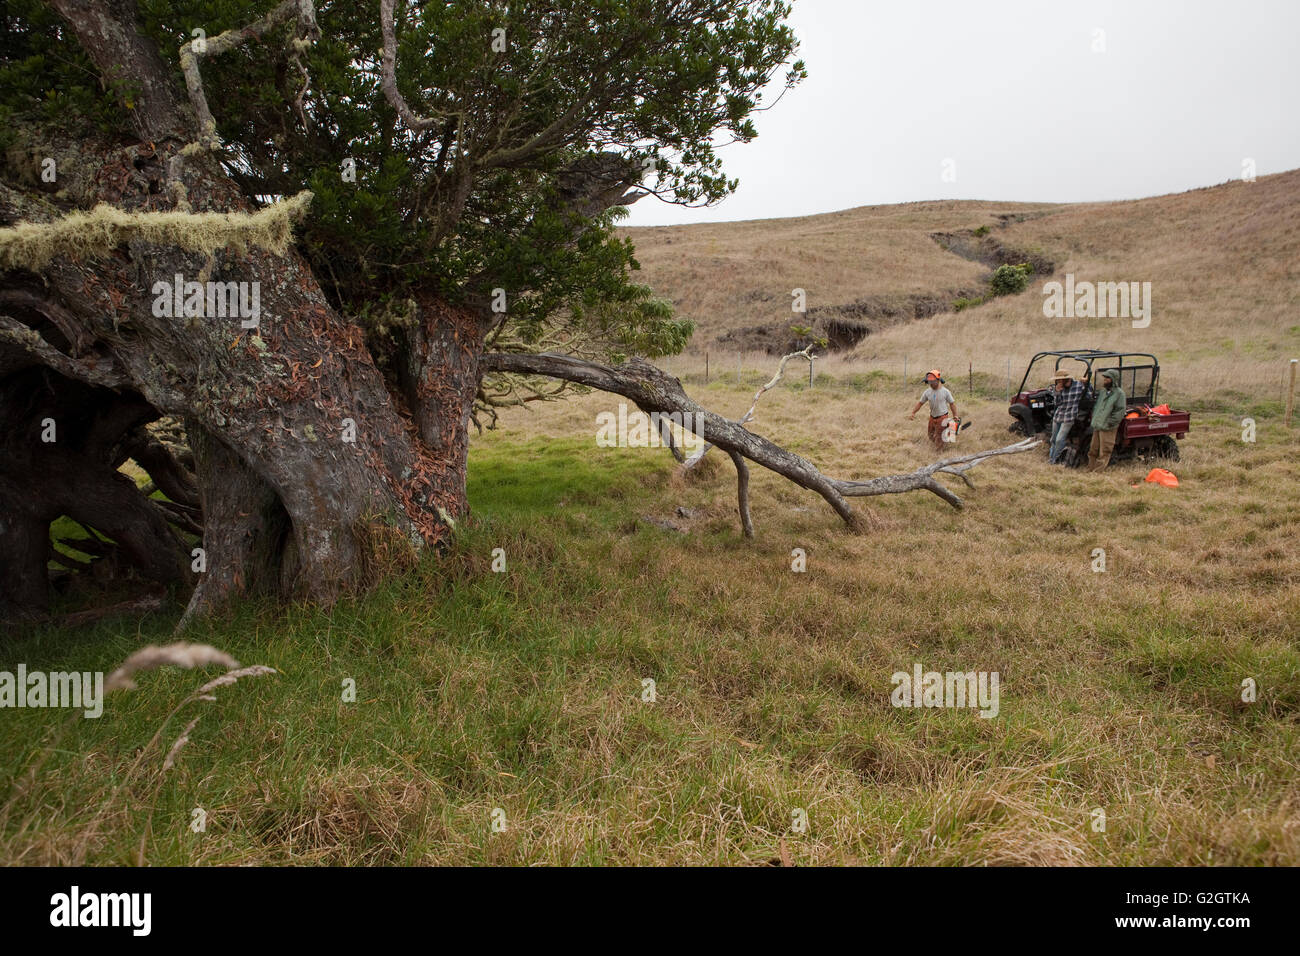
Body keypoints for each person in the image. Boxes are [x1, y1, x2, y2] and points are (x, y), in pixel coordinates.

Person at [1087, 368, 1126, 471]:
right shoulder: (1103, 391)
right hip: (1098, 425)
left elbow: (1120, 411)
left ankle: (1097, 472)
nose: (1105, 380)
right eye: (1105, 378)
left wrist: (1110, 423)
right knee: (1093, 449)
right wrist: (1095, 419)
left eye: (1107, 378)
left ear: (1113, 379)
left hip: (1108, 427)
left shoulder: (1119, 394)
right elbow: (1097, 407)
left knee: (1104, 451)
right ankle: (1090, 469)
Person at [909, 370, 958, 451]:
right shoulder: (927, 392)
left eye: (932, 382)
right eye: (929, 382)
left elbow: (952, 404)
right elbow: (920, 403)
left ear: (938, 380)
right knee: (931, 435)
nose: (930, 384)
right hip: (932, 417)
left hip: (942, 417)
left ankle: (939, 453)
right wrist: (913, 412)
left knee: (939, 437)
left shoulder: (945, 392)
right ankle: (947, 436)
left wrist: (955, 415)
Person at [1048, 369, 1084, 464]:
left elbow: (1088, 392)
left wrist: (1086, 382)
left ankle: (1055, 460)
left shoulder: (1078, 385)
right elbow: (1057, 403)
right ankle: (1051, 458)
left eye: (1060, 380)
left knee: (1060, 439)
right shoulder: (1058, 388)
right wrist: (1057, 392)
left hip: (1069, 417)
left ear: (1066, 379)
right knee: (1053, 439)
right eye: (1058, 380)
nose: (1059, 382)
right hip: (1058, 416)